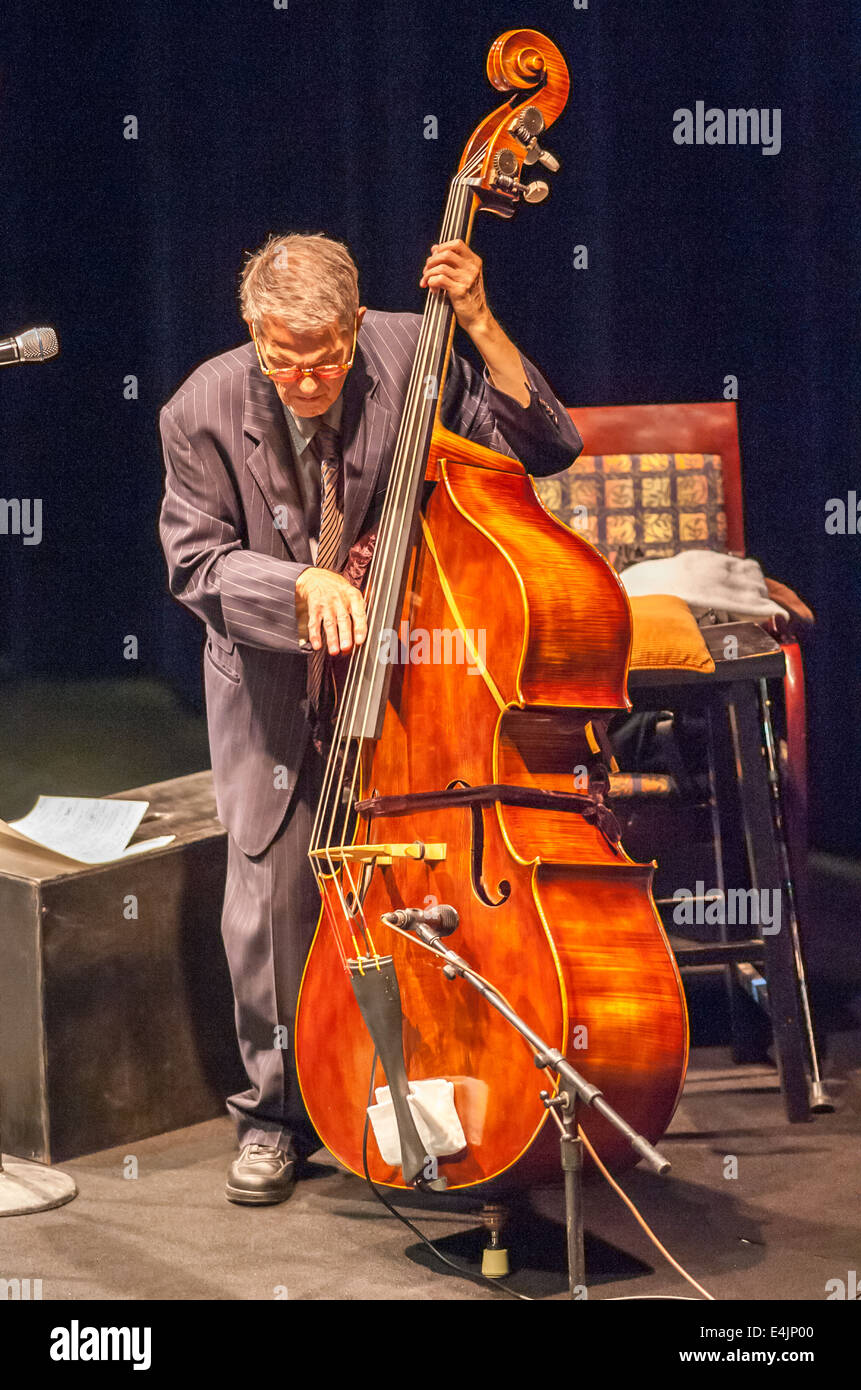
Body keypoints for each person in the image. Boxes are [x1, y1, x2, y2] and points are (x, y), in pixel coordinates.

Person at [159, 232, 583, 1204]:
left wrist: (477, 320)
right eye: (282, 357)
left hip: (410, 677)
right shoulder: (200, 407)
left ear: (356, 326)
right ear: (252, 336)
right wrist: (299, 583)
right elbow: (195, 565)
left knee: (423, 891)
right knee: (269, 904)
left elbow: (546, 450)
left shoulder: (414, 349)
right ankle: (273, 1116)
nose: (305, 378)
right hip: (270, 680)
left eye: (326, 355)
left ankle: (423, 1088)